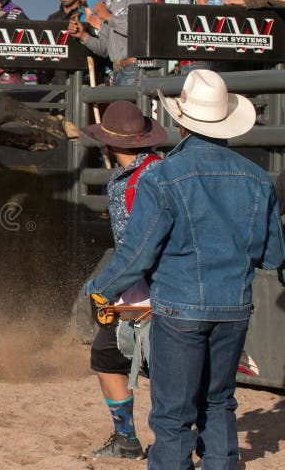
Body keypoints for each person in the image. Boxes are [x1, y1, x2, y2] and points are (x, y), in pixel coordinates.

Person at [84, 70, 285, 469]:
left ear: (181, 122)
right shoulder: (258, 179)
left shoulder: (164, 177)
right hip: (233, 306)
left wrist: (100, 288)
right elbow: (273, 255)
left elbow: (138, 252)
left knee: (173, 415)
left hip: (180, 306)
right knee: (219, 402)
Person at [81, 101, 167, 459]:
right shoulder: (158, 168)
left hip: (147, 288)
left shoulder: (134, 180)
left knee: (113, 356)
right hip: (152, 284)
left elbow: (137, 245)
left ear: (110, 144)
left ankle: (129, 439)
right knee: (109, 354)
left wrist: (104, 286)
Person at [68, 0, 149, 87]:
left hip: (134, 69)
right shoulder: (110, 0)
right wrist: (83, 36)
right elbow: (105, 48)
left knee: (129, 109)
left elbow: (140, 32)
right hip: (116, 70)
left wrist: (108, 17)